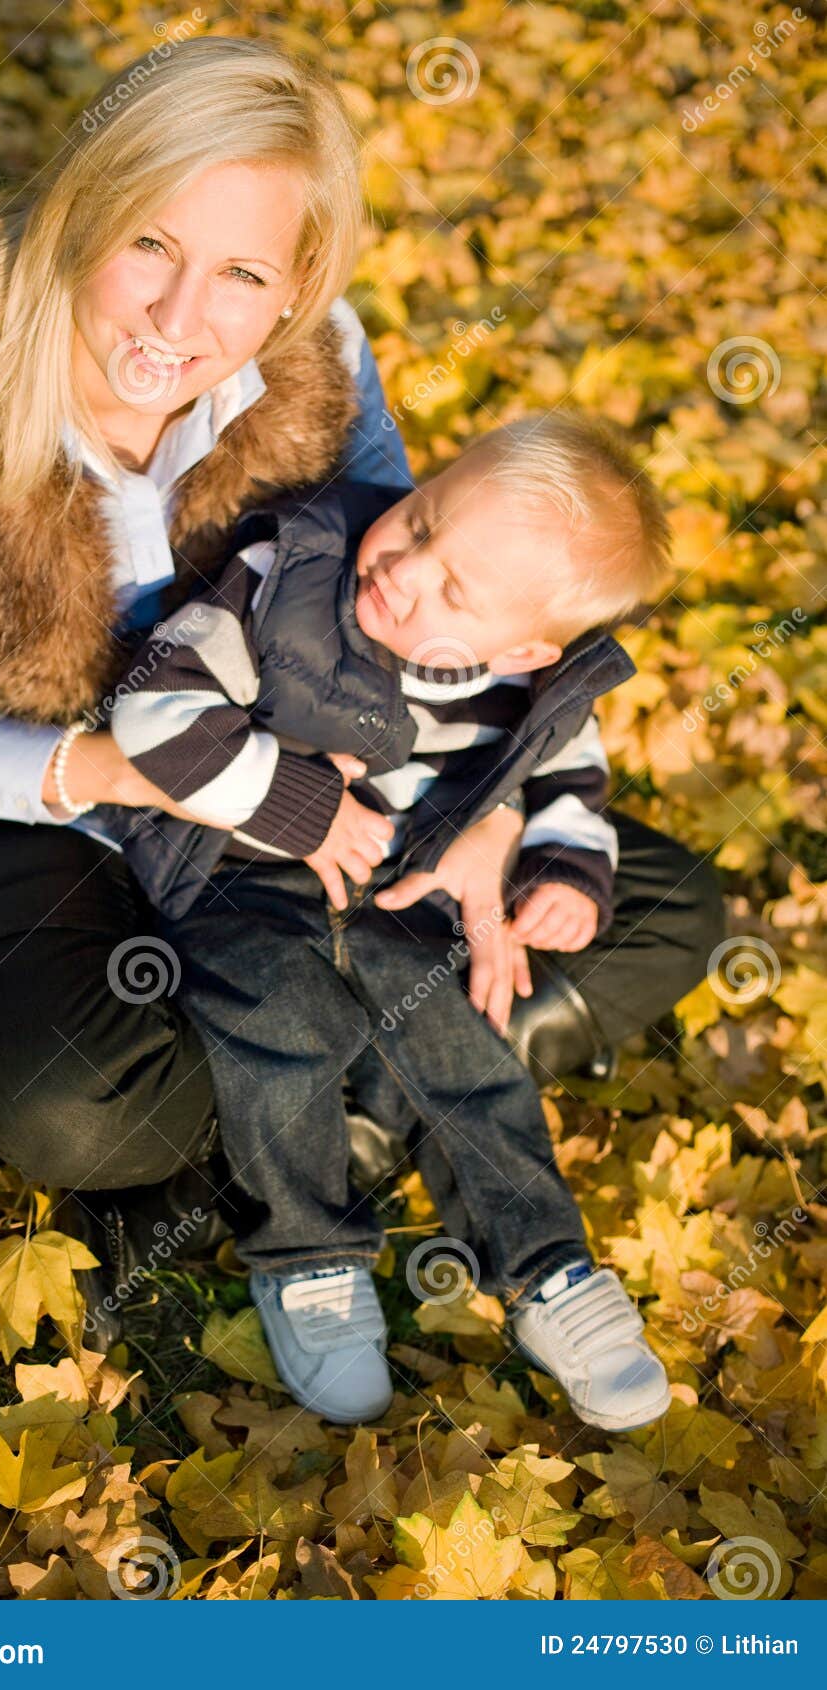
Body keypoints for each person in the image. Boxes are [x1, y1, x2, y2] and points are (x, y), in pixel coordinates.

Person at [0, 38, 416, 1343]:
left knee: (595, 904)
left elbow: (407, 576)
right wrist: (120, 771)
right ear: (79, 211)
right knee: (66, 1097)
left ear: (294, 285)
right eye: (148, 244)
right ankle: (320, 1102)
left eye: (241, 272)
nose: (178, 320)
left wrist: (444, 794)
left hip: (268, 746)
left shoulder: (319, 357)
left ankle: (273, 1115)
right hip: (39, 784)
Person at [106, 411, 726, 1428]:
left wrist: (565, 868)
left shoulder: (528, 681)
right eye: (424, 520)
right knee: (280, 1025)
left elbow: (566, 768)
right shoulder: (287, 576)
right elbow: (154, 708)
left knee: (463, 1057)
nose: (403, 568)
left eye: (452, 590)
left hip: (400, 890)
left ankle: (546, 1274)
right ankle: (307, 1260)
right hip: (239, 874)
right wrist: (297, 806)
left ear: (523, 645)